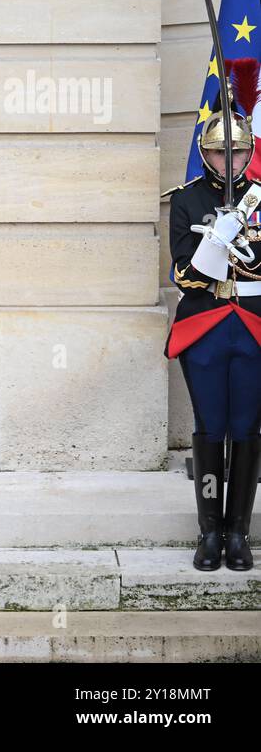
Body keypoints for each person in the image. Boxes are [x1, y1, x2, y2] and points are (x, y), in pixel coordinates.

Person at [166, 109, 261, 571]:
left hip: (254, 325)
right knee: (210, 428)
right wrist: (216, 241)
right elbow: (186, 274)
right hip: (204, 324)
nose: (227, 160)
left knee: (246, 429)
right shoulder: (187, 200)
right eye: (218, 152)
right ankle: (208, 531)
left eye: (237, 150)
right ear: (204, 154)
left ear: (250, 151)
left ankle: (238, 532)